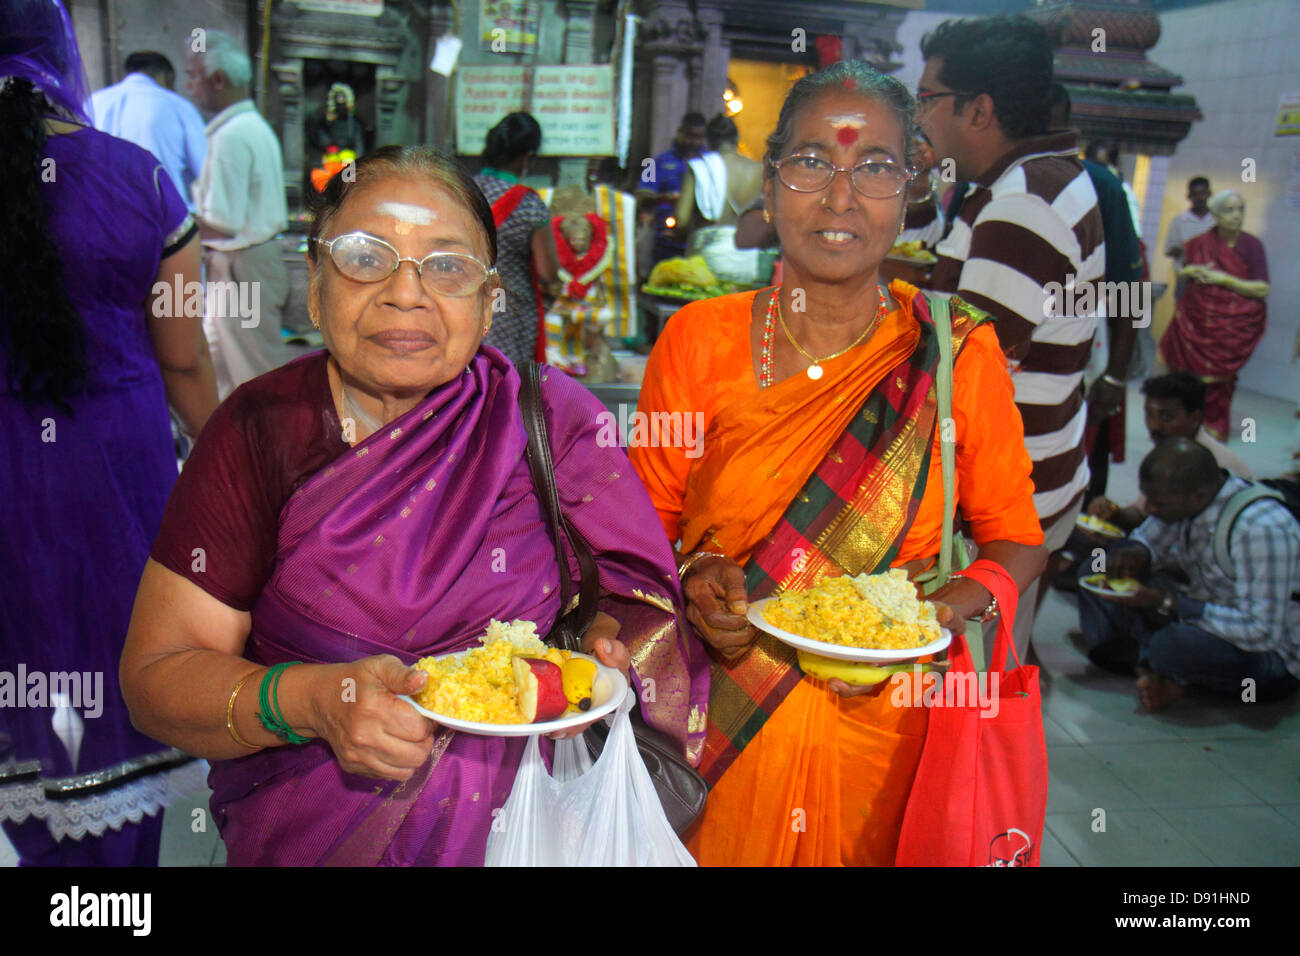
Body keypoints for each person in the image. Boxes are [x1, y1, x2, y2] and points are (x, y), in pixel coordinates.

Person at [120, 146, 709, 866]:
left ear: (492, 302)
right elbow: (158, 678)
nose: (406, 293)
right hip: (308, 832)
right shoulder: (258, 431)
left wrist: (587, 657)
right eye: (365, 257)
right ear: (313, 284)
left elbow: (630, 605)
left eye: (447, 266)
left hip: (522, 833)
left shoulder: (552, 421)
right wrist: (312, 703)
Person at [629, 60, 1046, 867]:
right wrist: (697, 571)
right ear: (772, 176)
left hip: (888, 734)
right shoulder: (698, 341)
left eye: (877, 167)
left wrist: (929, 624)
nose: (841, 196)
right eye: (813, 161)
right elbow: (643, 533)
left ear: (913, 188)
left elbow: (1017, 543)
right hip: (718, 727)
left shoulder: (957, 355)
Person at [0, 0, 218, 866]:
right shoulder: (135, 180)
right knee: (115, 656)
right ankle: (109, 894)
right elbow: (184, 363)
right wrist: (239, 462)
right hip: (114, 470)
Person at [916, 15, 1105, 661]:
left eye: (927, 99)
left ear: (980, 109)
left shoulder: (1025, 203)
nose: (920, 118)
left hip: (1007, 502)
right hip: (1038, 477)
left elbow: (963, 362)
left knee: (975, 684)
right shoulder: (1028, 181)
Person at [1078, 439, 1299, 711]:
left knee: (1173, 645)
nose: (1151, 511)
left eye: (1159, 505)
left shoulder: (1261, 529)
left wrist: (1169, 603)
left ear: (1198, 496)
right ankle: (1155, 668)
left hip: (1264, 651)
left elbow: (1262, 632)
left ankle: (1153, 661)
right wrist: (1137, 553)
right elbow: (1148, 539)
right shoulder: (1185, 501)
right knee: (1097, 569)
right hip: (1199, 609)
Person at [185, 29, 291, 399]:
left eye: (192, 76)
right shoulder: (249, 128)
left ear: (218, 80)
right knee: (226, 368)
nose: (188, 86)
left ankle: (274, 455)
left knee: (252, 373)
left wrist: (171, 227)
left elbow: (220, 223)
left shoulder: (233, 135)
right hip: (244, 264)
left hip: (242, 266)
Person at [1159, 190, 1269, 442]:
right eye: (1229, 210)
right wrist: (1189, 271)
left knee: (1219, 382)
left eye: (1240, 209)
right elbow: (1182, 271)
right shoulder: (1199, 243)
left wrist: (1225, 279)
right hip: (1195, 322)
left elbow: (1263, 288)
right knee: (1186, 381)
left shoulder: (1252, 245)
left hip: (1232, 327)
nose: (1236, 215)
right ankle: (1181, 427)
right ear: (1216, 216)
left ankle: (1212, 430)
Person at [473, 112, 558, 367]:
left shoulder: (461, 191)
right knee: (506, 388)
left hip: (464, 305)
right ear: (526, 157)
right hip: (510, 315)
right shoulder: (529, 205)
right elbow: (548, 271)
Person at [90, 50, 207, 212]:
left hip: (104, 216)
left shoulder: (94, 102)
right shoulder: (178, 106)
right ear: (168, 77)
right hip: (163, 219)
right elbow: (206, 171)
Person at [673, 114, 763, 237]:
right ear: (737, 138)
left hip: (709, 249)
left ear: (708, 141)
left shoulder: (699, 167)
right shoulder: (759, 169)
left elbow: (681, 221)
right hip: (748, 249)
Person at [637, 112, 707, 267]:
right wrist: (664, 198)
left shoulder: (710, 163)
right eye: (689, 136)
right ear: (680, 132)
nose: (693, 142)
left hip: (698, 242)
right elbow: (641, 195)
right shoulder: (654, 162)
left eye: (699, 137)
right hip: (664, 240)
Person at [1163, 176, 1213, 297]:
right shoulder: (1179, 221)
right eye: (1195, 194)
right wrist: (1186, 249)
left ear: (1209, 194)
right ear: (1189, 196)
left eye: (1203, 194)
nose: (1199, 198)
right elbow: (1169, 250)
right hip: (1185, 279)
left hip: (1211, 279)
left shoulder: (1216, 221)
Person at [307, 81, 369, 157]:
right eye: (338, 97)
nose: (340, 108)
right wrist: (327, 143)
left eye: (342, 97)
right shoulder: (328, 121)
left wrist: (358, 159)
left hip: (348, 154)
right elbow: (320, 134)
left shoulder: (353, 123)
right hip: (331, 153)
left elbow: (358, 143)